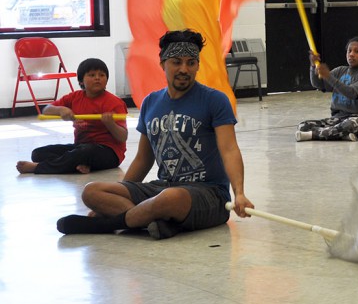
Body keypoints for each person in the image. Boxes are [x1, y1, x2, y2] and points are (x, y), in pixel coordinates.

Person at [56, 29, 254, 240]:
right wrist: (120, 191)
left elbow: (229, 150)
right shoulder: (151, 102)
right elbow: (143, 159)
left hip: (208, 193)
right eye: (176, 62)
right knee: (92, 191)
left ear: (197, 65)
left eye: (191, 63)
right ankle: (155, 222)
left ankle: (109, 223)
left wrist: (239, 193)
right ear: (163, 63)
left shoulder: (215, 100)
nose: (184, 69)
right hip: (163, 187)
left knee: (169, 198)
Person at [16, 58, 128, 175]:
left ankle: (38, 168)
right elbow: (46, 110)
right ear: (81, 81)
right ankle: (78, 165)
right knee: (38, 153)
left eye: (102, 75)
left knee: (84, 152)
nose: (97, 78)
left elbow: (122, 137)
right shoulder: (74, 97)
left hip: (109, 152)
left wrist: (110, 124)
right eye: (91, 75)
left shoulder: (115, 102)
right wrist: (61, 110)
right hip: (80, 147)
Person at [296, 37, 358, 142]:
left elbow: (352, 93)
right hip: (338, 119)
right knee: (303, 126)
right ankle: (339, 134)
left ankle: (313, 135)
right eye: (349, 51)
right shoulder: (340, 70)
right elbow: (319, 85)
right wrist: (313, 66)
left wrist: (329, 76)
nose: (351, 54)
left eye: (357, 51)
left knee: (349, 125)